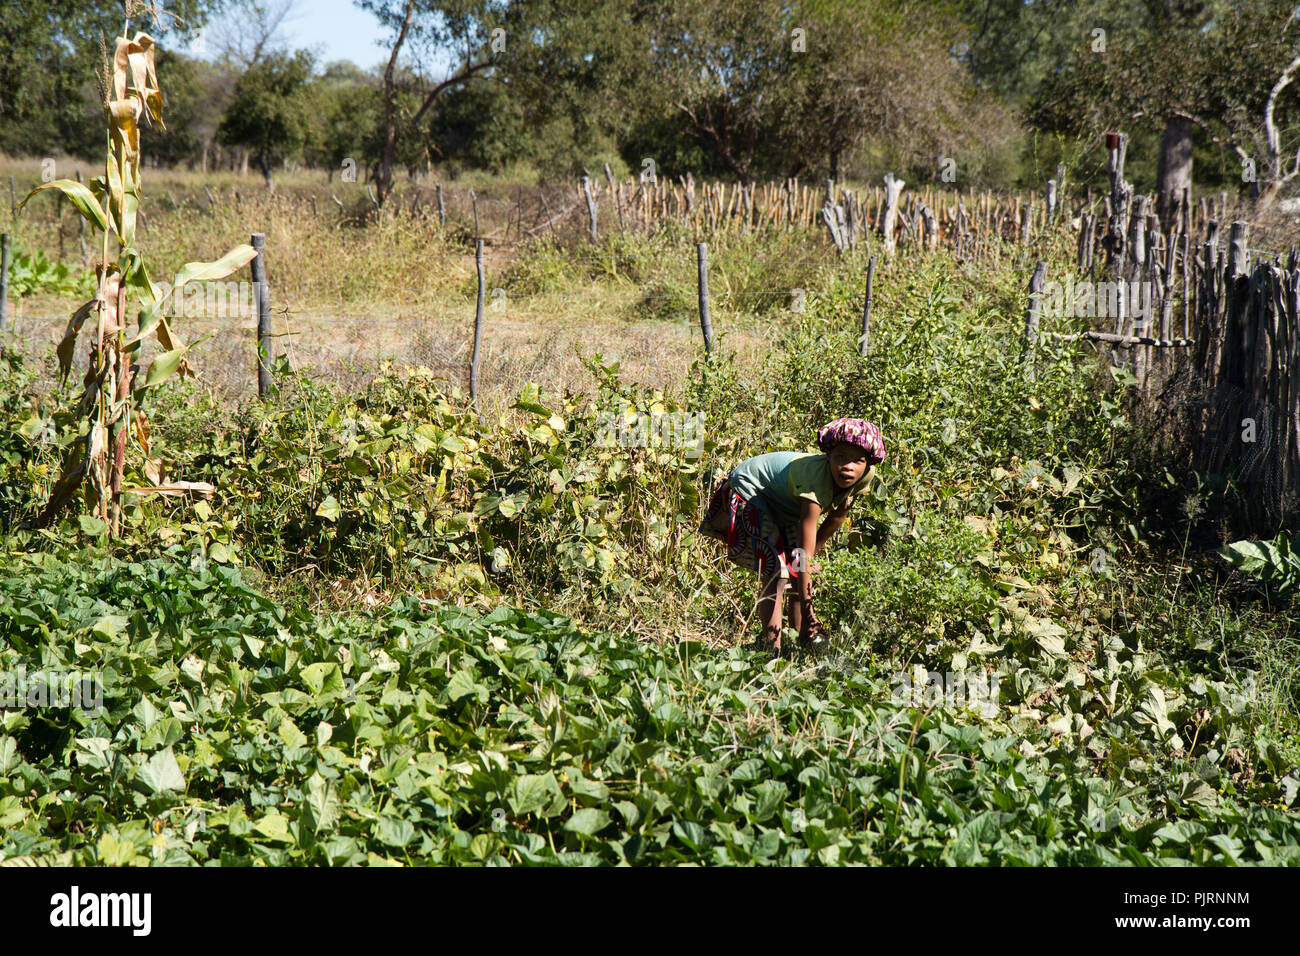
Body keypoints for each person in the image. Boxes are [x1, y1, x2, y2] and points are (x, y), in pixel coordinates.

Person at [699, 417, 886, 654]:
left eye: (857, 460)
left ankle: (800, 645)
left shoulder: (866, 475)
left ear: (868, 463)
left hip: (784, 504)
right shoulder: (815, 482)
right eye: (840, 457)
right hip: (752, 489)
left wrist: (809, 562)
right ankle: (772, 650)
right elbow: (804, 555)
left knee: (801, 571)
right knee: (777, 573)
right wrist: (812, 614)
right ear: (828, 456)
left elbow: (837, 518)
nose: (848, 466)